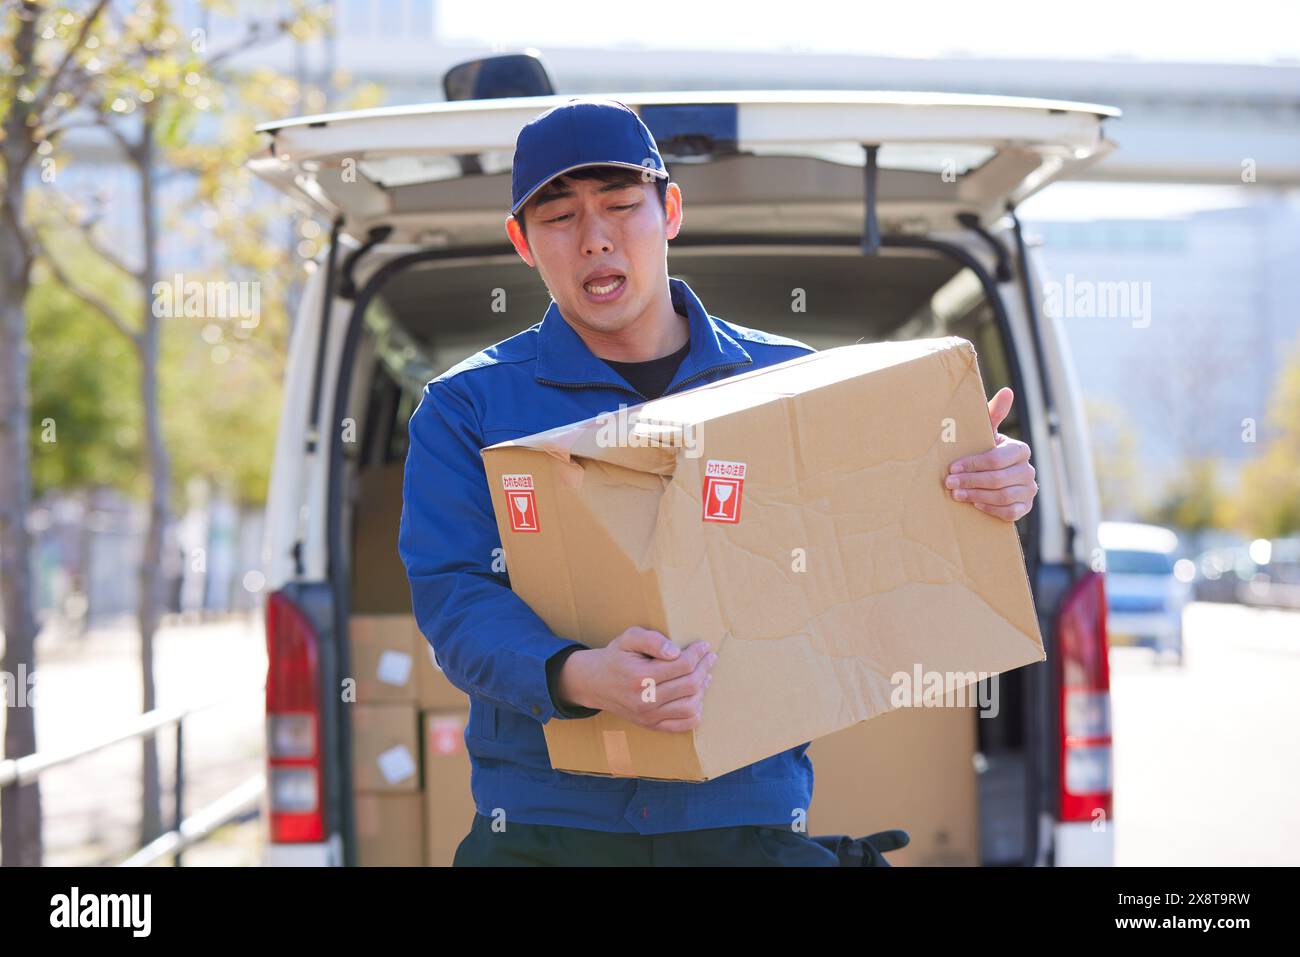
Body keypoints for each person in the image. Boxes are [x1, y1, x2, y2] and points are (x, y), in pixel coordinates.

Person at [397, 98, 1039, 866]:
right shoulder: (468, 409)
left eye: (620, 206)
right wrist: (581, 675)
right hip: (545, 828)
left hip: (745, 818)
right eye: (559, 217)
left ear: (669, 209)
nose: (595, 237)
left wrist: (983, 490)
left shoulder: (787, 385)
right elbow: (454, 597)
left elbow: (875, 538)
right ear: (522, 242)